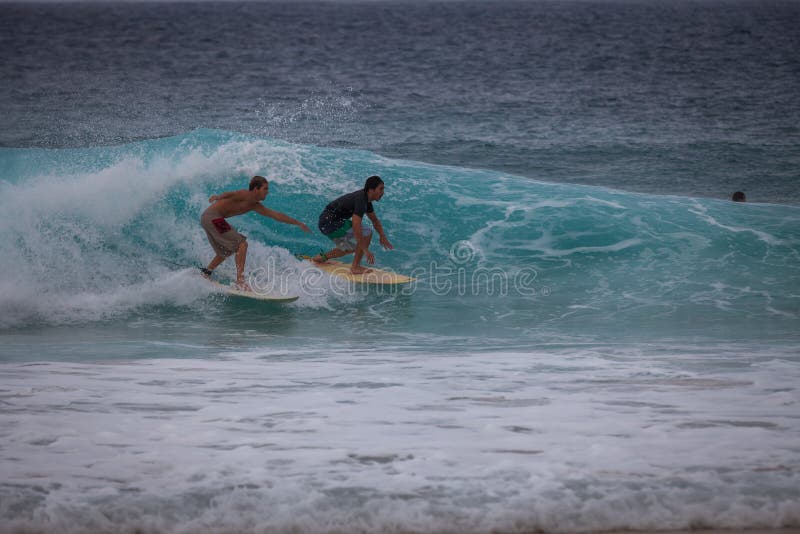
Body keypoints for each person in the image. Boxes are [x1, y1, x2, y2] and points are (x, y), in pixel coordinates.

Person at [201, 176, 310, 290]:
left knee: (227, 250)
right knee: (242, 244)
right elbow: (231, 194)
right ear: (256, 189)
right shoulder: (245, 194)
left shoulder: (255, 205)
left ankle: (206, 272)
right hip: (213, 217)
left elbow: (275, 215)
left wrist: (297, 223)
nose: (267, 192)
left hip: (211, 219)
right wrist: (218, 197)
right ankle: (240, 281)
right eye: (265, 189)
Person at [312, 175, 393, 274]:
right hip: (330, 223)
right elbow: (356, 226)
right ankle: (355, 267)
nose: (383, 192)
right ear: (371, 190)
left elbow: (375, 220)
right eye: (380, 189)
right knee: (367, 232)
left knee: (350, 247)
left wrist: (382, 235)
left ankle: (322, 257)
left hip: (326, 224)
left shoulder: (366, 201)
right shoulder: (361, 200)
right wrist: (365, 249)